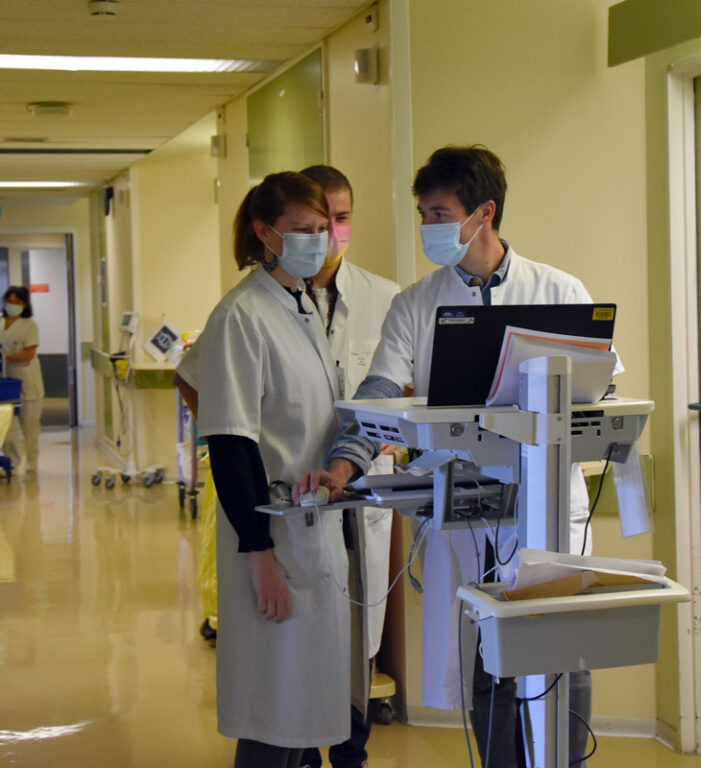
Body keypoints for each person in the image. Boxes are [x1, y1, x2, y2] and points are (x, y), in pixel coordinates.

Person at [295, 146, 617, 768]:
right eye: (423, 214)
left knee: (559, 649)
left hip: (547, 506)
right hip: (465, 507)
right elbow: (380, 396)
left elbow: (600, 392)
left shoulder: (559, 289)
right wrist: (344, 464)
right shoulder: (417, 303)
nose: (427, 228)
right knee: (485, 653)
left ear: (484, 213)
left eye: (438, 213)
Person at [194, 172, 351, 768]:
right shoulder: (241, 315)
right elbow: (230, 444)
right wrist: (259, 556)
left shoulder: (301, 304)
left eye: (323, 229)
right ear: (264, 233)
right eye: (302, 231)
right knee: (273, 713)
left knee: (302, 710)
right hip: (272, 536)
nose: (318, 242)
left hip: (312, 528)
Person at [298, 165, 399, 768]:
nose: (332, 233)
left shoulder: (388, 297)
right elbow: (198, 379)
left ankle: (350, 748)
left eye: (342, 218)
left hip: (364, 492)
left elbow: (407, 388)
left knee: (361, 626)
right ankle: (301, 745)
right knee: (306, 625)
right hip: (296, 487)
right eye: (319, 220)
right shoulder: (267, 298)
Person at [0, 286, 45, 476]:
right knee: (7, 424)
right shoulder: (0, 321)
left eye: (17, 302)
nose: (12, 305)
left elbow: (29, 352)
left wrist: (6, 358)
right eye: (9, 301)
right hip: (6, 381)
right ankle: (12, 461)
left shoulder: (29, 325)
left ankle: (32, 462)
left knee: (30, 424)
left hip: (28, 380)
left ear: (24, 304)